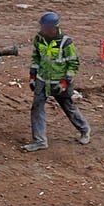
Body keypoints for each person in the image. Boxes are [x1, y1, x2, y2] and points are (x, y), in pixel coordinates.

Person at [23, 10, 90, 151]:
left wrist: (65, 81)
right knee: (37, 108)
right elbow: (36, 58)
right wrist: (33, 76)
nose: (41, 29)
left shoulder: (66, 43)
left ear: (52, 28)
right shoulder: (39, 39)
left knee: (68, 107)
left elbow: (73, 64)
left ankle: (84, 129)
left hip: (59, 82)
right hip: (42, 80)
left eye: (44, 27)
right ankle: (40, 141)